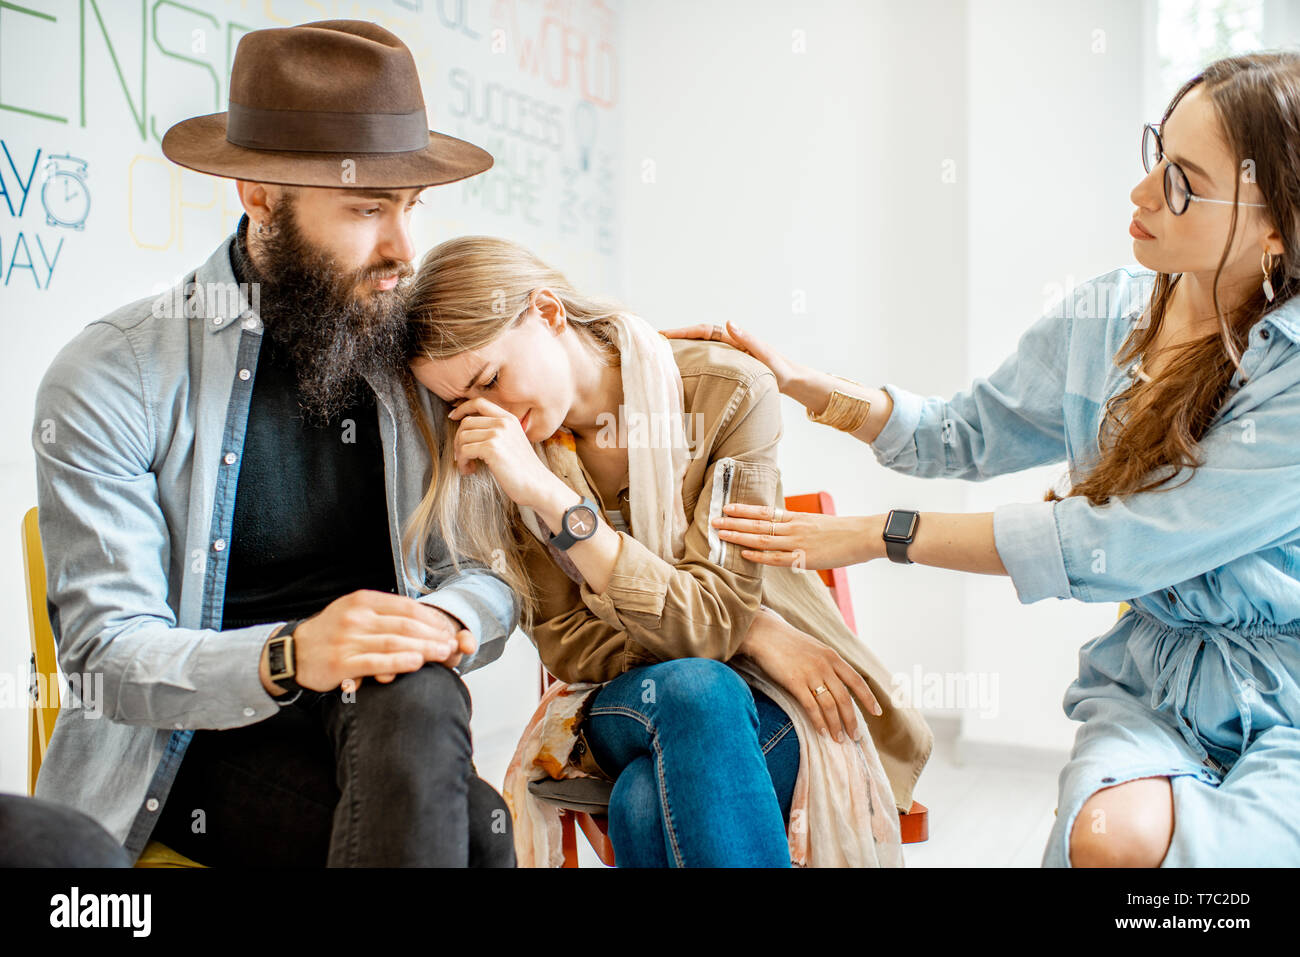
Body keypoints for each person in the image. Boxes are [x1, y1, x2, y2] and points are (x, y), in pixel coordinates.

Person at [673, 52, 1300, 867]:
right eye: (1157, 153)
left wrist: (880, 533)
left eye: (1182, 183)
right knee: (1107, 840)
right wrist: (804, 384)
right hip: (1156, 681)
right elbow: (960, 433)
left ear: (1276, 227)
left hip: (1286, 692)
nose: (1141, 193)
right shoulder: (1104, 315)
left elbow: (1115, 542)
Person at [29, 20, 518, 867]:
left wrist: (439, 619)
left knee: (419, 691)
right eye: (367, 209)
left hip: (382, 722)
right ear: (258, 193)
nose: (403, 251)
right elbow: (108, 655)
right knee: (474, 831)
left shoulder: (415, 360)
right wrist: (295, 653)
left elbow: (487, 573)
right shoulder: (114, 372)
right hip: (188, 751)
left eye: (410, 207)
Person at [402, 236, 933, 867]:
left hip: (779, 700)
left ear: (547, 312)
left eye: (491, 379)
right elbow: (570, 644)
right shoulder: (503, 461)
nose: (489, 414)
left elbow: (715, 618)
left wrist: (711, 622)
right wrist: (748, 631)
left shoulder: (725, 392)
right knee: (696, 687)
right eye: (461, 404)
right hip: (627, 704)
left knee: (644, 801)